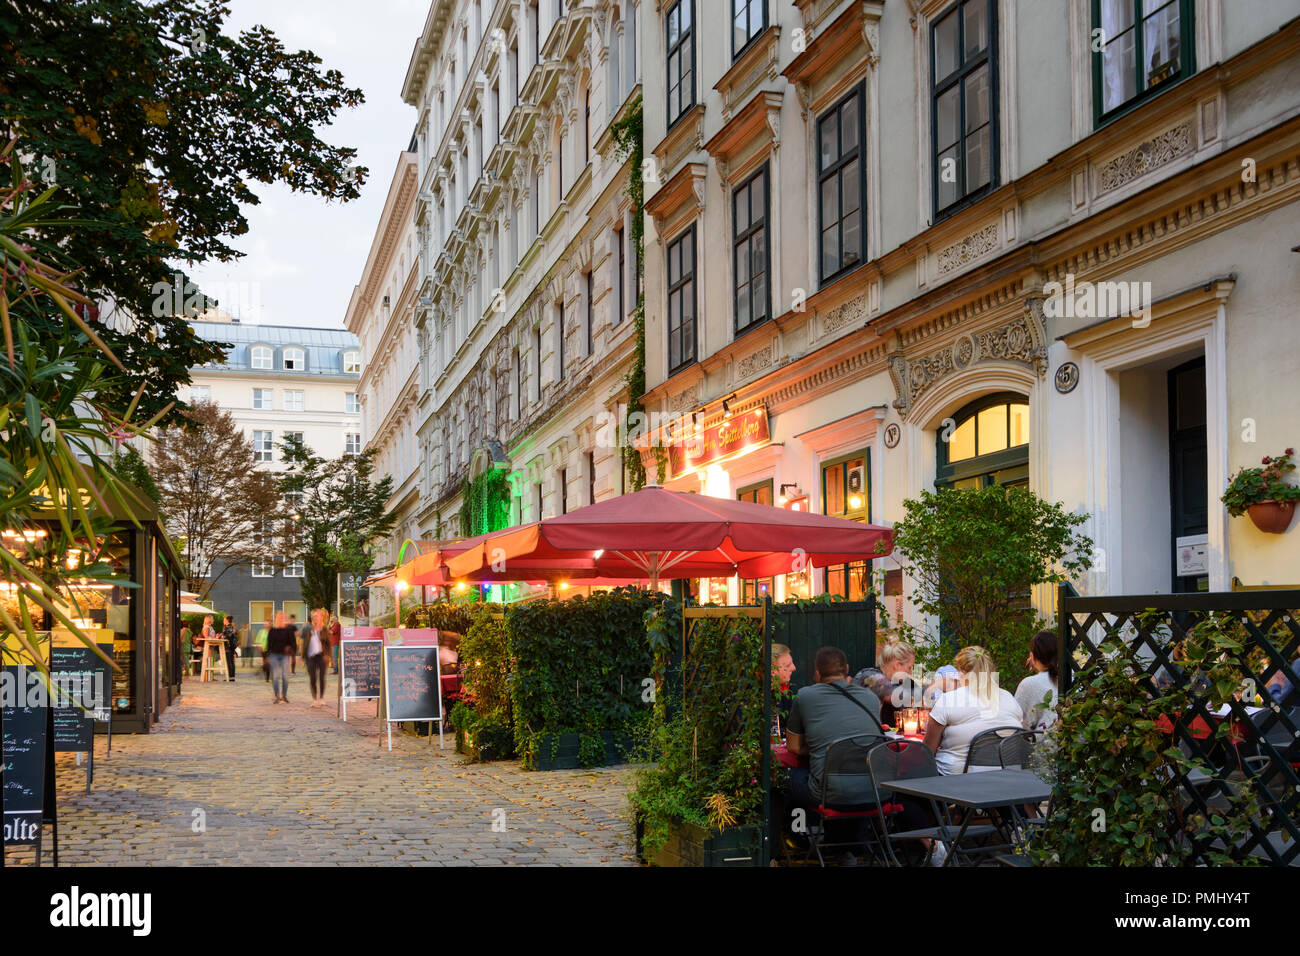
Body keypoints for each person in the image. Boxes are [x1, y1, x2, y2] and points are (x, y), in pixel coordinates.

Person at [783, 646, 885, 863]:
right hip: (876, 793)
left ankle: (789, 842)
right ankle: (849, 846)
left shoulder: (805, 696)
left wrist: (821, 746)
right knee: (847, 779)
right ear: (847, 669)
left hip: (829, 795)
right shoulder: (870, 698)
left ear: (817, 674)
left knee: (788, 778)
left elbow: (793, 747)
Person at [924, 646, 1024, 775]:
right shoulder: (1009, 697)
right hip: (1008, 777)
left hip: (957, 780)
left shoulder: (949, 699)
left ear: (961, 671)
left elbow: (928, 750)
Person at [855, 638, 926, 728]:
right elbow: (892, 694)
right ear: (897, 665)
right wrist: (931, 688)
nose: (910, 672)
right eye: (909, 667)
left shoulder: (907, 683)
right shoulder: (868, 676)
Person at [1014, 631, 1059, 730]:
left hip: (1043, 738)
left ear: (1032, 655)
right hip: (1072, 737)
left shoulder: (1029, 684)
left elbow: (1017, 721)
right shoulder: (1069, 677)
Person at [301, 608, 331, 707]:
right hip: (310, 657)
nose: (315, 618)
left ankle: (321, 697)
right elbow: (304, 643)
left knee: (322, 678)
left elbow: (328, 644)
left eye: (317, 616)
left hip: (322, 656)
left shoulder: (325, 629)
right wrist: (303, 656)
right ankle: (314, 699)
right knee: (312, 678)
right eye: (313, 616)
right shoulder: (308, 630)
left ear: (321, 617)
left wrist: (328, 655)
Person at [266, 611, 297, 703]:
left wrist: (292, 651)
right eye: (279, 618)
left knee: (285, 676)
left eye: (282, 618)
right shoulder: (272, 630)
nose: (281, 619)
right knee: (275, 676)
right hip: (274, 655)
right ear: (276, 619)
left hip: (285, 656)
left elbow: (293, 643)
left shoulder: (288, 630)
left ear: (285, 619)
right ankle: (277, 696)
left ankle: (284, 695)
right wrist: (267, 656)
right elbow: (269, 644)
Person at [772, 643, 796, 732]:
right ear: (772, 670)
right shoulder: (751, 694)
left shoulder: (786, 691)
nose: (794, 668)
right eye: (788, 665)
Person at [221, 614, 239, 682]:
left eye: (224, 620)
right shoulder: (232, 627)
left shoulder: (226, 627)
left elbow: (225, 636)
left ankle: (230, 677)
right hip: (232, 646)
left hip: (228, 646)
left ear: (226, 620)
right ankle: (232, 676)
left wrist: (220, 636)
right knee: (231, 661)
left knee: (229, 661)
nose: (223, 621)